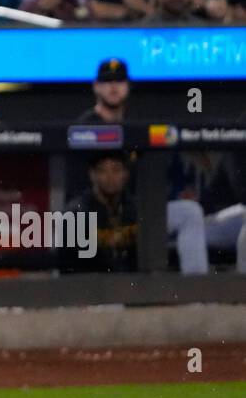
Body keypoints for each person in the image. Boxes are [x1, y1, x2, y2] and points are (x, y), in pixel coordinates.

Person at [69, 58, 208, 275]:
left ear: (128, 86)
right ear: (96, 86)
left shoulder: (136, 125)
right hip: (97, 215)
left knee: (189, 213)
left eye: (119, 81)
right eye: (107, 81)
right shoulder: (85, 125)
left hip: (136, 213)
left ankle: (198, 289)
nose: (113, 86)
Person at [60, 154, 138, 273]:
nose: (110, 177)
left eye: (116, 170)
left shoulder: (136, 210)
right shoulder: (76, 214)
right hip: (88, 284)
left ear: (126, 174)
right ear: (93, 175)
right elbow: (68, 265)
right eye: (103, 171)